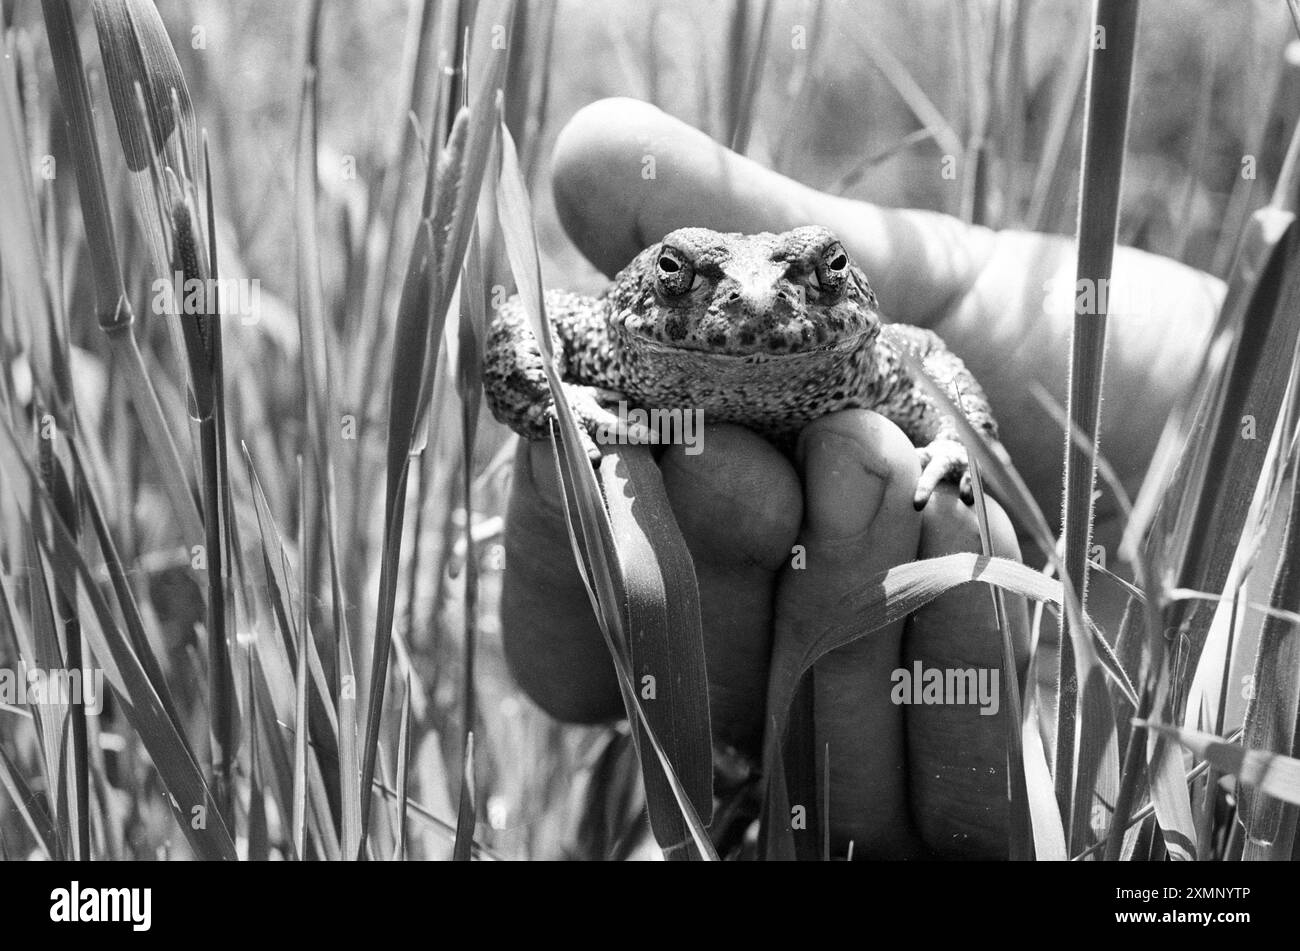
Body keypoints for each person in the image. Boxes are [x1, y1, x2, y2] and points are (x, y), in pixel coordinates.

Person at [496, 98, 1226, 858]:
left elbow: (932, 361)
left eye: (824, 274)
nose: (753, 302)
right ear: (646, 291)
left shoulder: (874, 364)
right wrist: (557, 401)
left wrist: (956, 441)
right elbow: (524, 322)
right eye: (682, 275)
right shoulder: (612, 344)